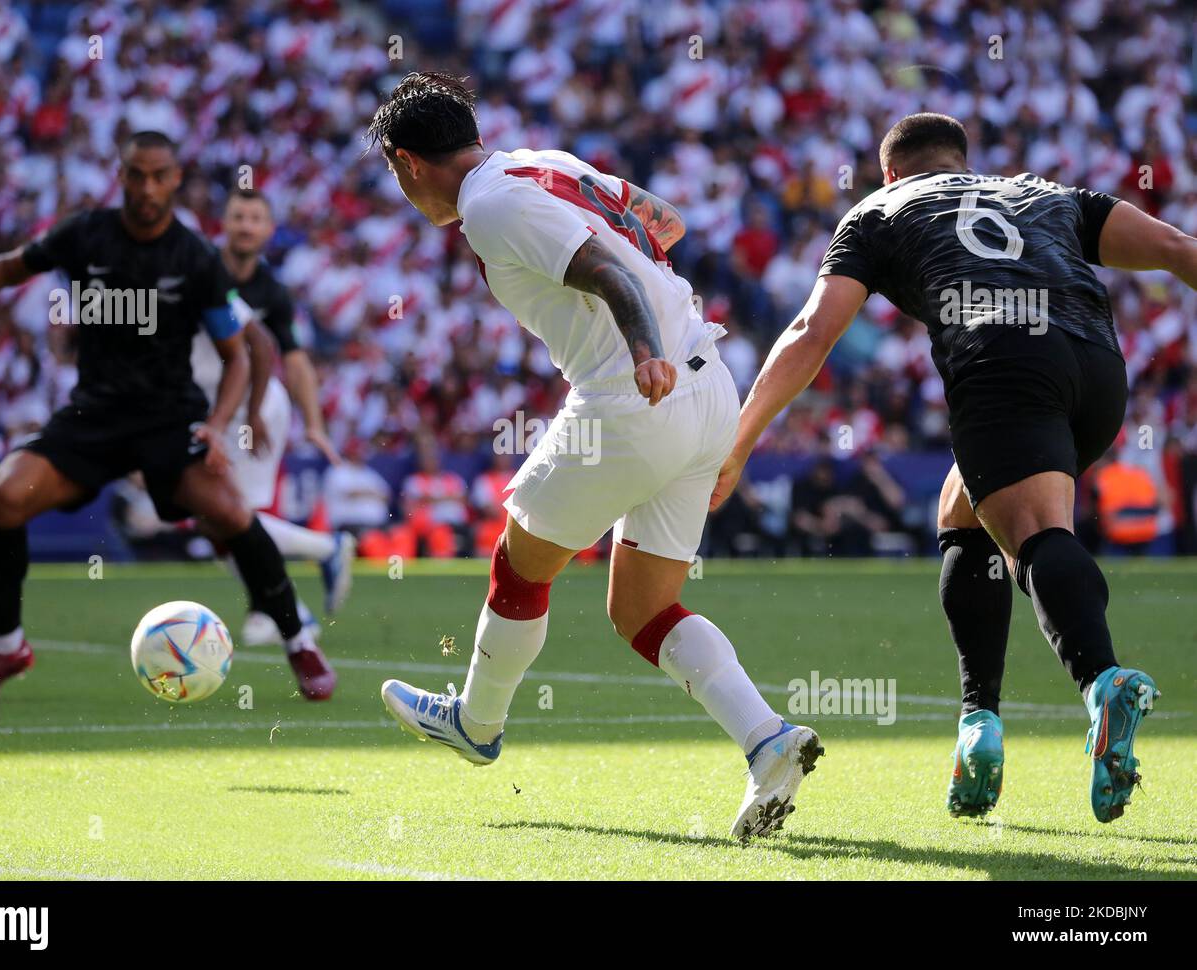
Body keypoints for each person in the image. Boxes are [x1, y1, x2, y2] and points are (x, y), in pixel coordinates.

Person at [367, 73, 820, 842]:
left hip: (638, 393)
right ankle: (767, 741)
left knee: (520, 559)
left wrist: (643, 351)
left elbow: (606, 273)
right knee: (640, 609)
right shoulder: (543, 162)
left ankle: (476, 722)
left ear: (409, 163)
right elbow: (664, 222)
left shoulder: (488, 203)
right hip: (710, 391)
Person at [711, 112, 1173, 824]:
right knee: (962, 508)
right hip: (1098, 370)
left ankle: (1101, 682)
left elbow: (813, 330)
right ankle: (977, 726)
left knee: (1035, 531)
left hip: (1004, 366)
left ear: (890, 172)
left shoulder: (877, 210)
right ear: (965, 162)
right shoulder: (1042, 191)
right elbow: (1175, 247)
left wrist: (738, 442)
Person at [0, 131, 336, 702]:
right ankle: (7, 645)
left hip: (168, 420)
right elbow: (15, 265)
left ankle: (298, 640)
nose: (147, 187)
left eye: (159, 175)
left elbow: (238, 354)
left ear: (175, 179)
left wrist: (215, 426)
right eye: (136, 174)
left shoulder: (194, 258)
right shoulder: (85, 233)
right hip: (93, 416)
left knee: (233, 514)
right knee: (0, 500)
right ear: (122, 176)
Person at [192, 188, 354, 646]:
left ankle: (280, 609)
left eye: (255, 218)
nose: (245, 225)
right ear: (223, 223)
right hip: (211, 406)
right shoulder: (200, 269)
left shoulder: (272, 292)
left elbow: (293, 358)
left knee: (232, 518)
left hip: (254, 408)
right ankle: (316, 562)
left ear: (267, 230)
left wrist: (315, 424)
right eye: (237, 216)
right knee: (214, 521)